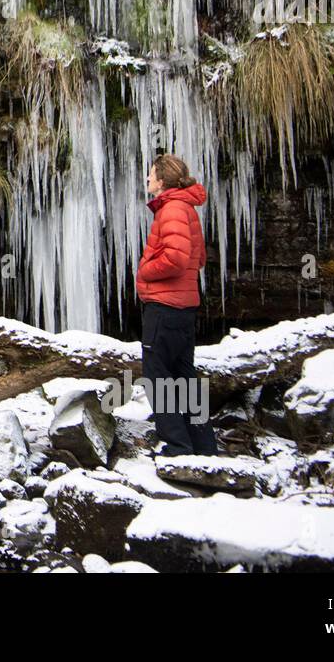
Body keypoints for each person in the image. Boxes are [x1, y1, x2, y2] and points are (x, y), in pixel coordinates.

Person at [135, 154, 219, 457]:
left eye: (151, 173)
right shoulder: (186, 209)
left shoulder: (171, 209)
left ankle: (177, 445)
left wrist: (145, 271)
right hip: (184, 307)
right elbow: (197, 260)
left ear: (162, 180)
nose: (147, 178)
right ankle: (204, 444)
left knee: (157, 375)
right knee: (184, 376)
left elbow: (176, 258)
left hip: (164, 308)